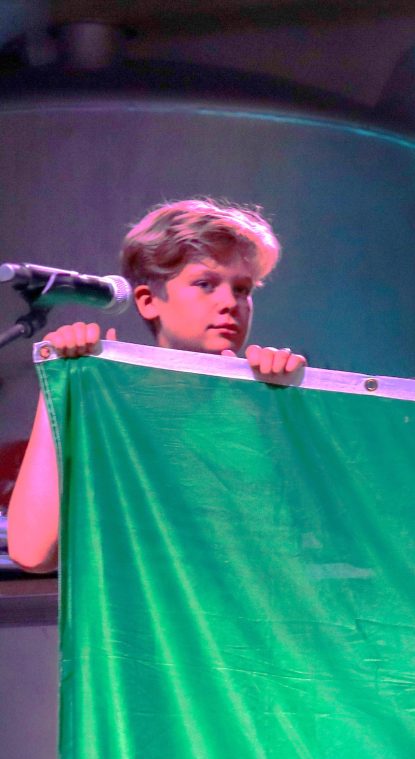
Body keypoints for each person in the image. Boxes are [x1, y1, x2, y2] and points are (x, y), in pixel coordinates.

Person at [8, 198, 304, 573]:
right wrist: (60, 387)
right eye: (205, 283)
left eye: (243, 289)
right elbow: (31, 552)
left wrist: (290, 406)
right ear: (148, 302)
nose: (230, 303)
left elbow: (300, 540)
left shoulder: (265, 401)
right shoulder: (110, 401)